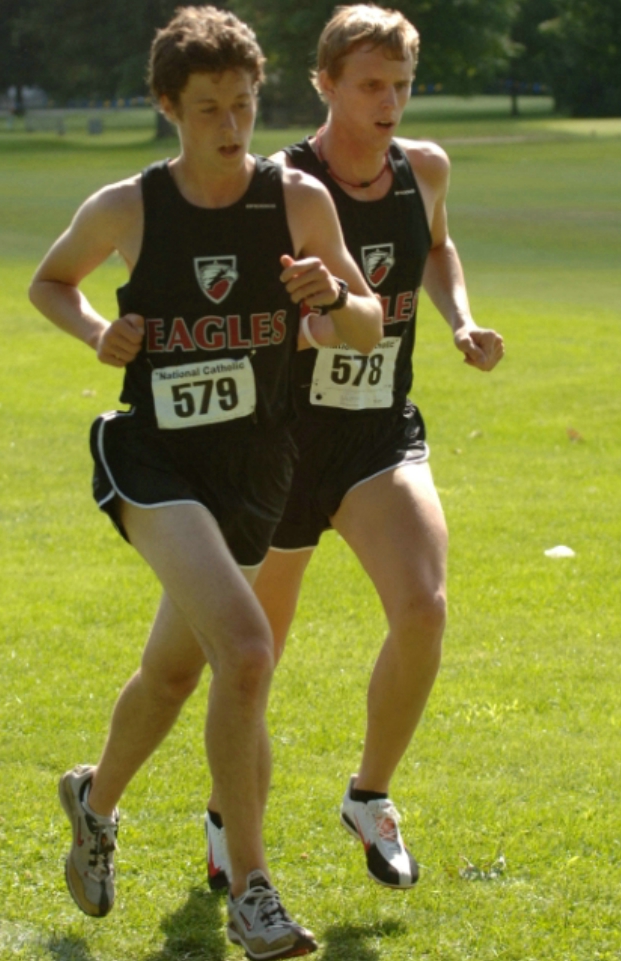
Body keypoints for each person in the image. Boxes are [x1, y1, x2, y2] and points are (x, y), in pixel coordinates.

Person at [27, 8, 382, 959]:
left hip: (255, 468)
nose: (231, 127)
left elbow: (367, 328)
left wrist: (333, 297)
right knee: (249, 648)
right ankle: (253, 888)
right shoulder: (129, 207)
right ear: (167, 108)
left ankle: (93, 801)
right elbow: (51, 283)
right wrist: (99, 330)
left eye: (245, 104)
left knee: (178, 671)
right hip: (156, 463)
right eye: (208, 109)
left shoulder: (298, 201)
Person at [203, 4, 505, 894]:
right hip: (281, 444)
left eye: (403, 86)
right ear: (325, 82)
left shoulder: (425, 168)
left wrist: (461, 318)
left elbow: (438, 251)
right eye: (371, 85)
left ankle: (369, 795)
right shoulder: (281, 185)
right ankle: (228, 821)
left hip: (378, 432)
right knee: (256, 654)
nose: (391, 104)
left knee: (424, 606)